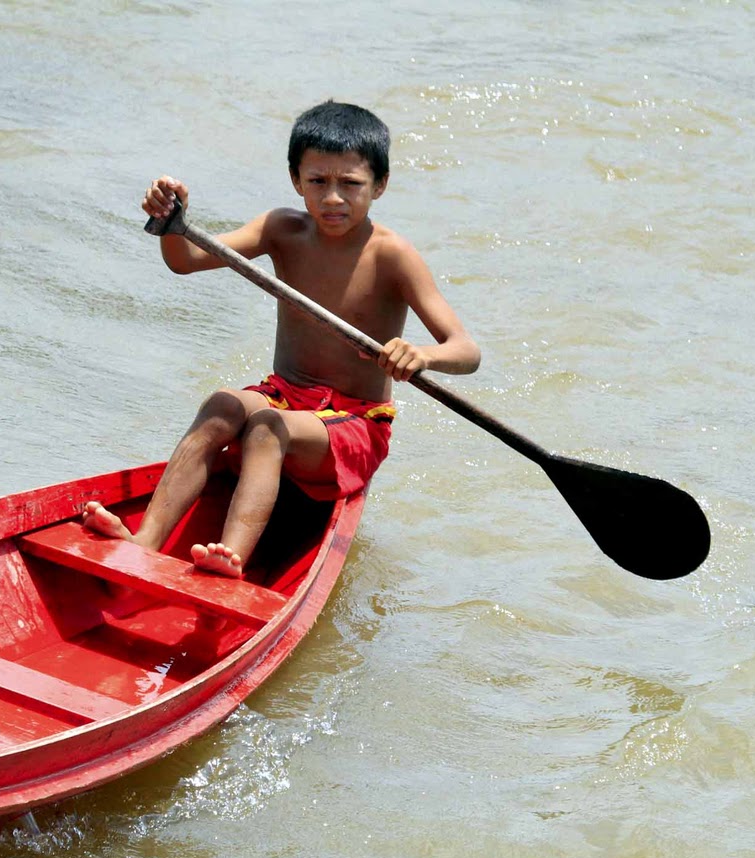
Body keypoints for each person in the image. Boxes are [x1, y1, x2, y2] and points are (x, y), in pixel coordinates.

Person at [82, 99, 481, 577]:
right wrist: (172, 222)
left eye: (350, 184)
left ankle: (230, 558)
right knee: (222, 406)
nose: (333, 198)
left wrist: (421, 355)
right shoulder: (281, 229)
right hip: (285, 395)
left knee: (268, 428)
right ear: (296, 180)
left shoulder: (392, 255)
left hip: (353, 421)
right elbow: (185, 259)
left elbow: (466, 350)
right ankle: (144, 541)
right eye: (318, 182)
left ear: (379, 186)